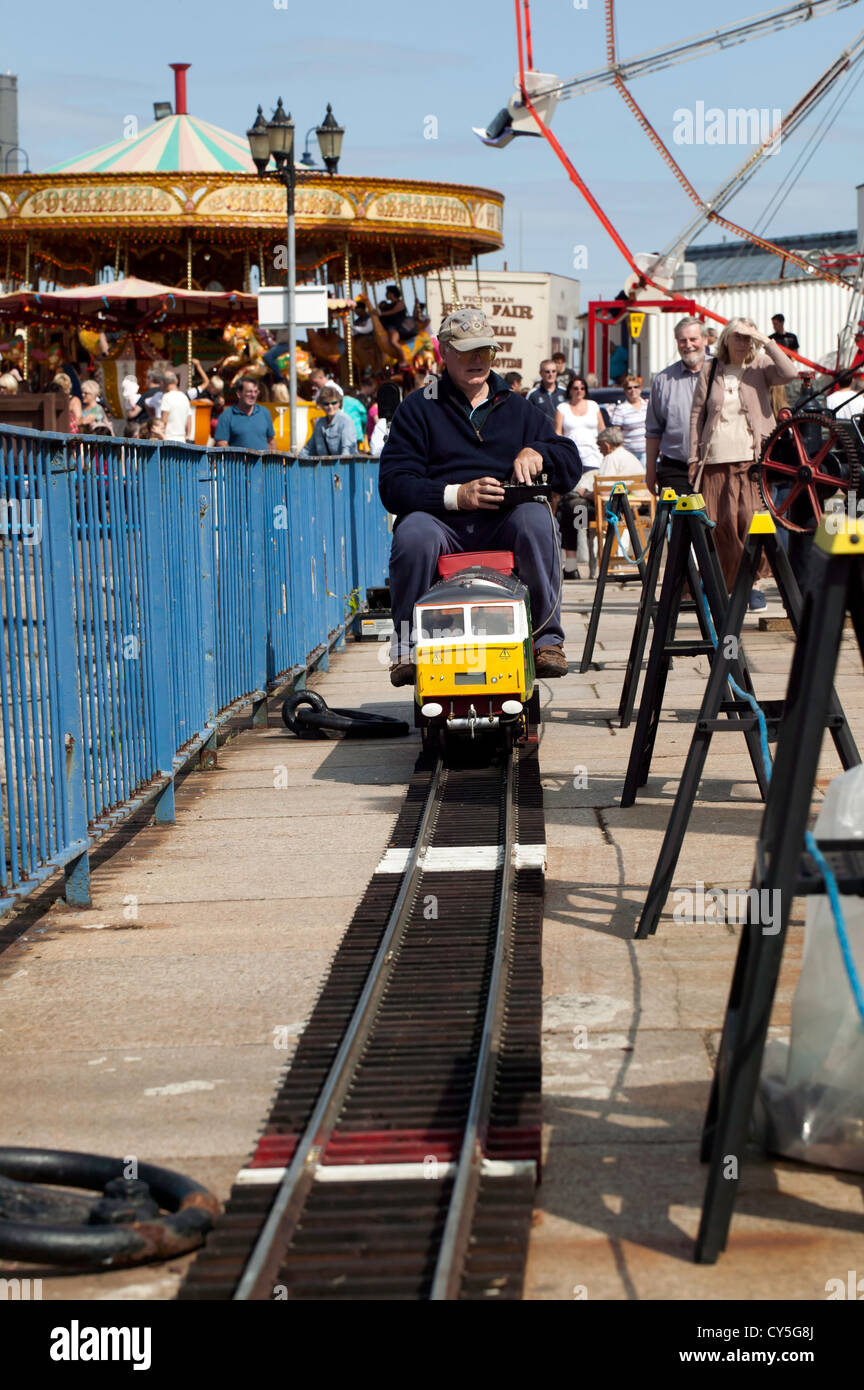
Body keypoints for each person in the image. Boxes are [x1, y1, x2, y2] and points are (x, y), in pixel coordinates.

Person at [379, 308, 581, 684]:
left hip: (506, 521)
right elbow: (393, 485)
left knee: (537, 519)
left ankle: (546, 641)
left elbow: (570, 462)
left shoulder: (519, 408)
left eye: (484, 351)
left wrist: (539, 451)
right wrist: (458, 495)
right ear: (444, 352)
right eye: (467, 351)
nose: (477, 359)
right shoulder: (418, 409)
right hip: (441, 522)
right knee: (412, 534)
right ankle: (407, 648)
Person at [690, 317, 798, 610]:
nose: (743, 342)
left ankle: (751, 583)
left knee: (750, 521)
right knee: (721, 525)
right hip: (714, 459)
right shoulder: (711, 368)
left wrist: (764, 339)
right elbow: (697, 414)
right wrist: (693, 456)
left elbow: (790, 372)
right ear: (726, 339)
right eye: (738, 336)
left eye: (747, 338)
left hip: (752, 460)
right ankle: (727, 584)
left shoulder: (760, 365)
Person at [558, 426, 644, 572]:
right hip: (632, 508)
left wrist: (585, 494)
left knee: (566, 508)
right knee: (576, 509)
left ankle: (572, 567)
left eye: (600, 447)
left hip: (611, 510)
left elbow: (604, 493)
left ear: (606, 445)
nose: (599, 451)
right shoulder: (632, 457)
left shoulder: (610, 458)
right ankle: (574, 565)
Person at [645, 316, 708, 496]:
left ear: (704, 340)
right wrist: (650, 471)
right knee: (680, 524)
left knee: (715, 523)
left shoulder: (721, 373)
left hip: (714, 467)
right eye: (683, 340)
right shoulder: (663, 380)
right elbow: (653, 430)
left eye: (693, 339)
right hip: (675, 468)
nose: (688, 345)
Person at [555, 374, 604, 576]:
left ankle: (585, 559)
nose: (578, 391)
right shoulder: (563, 408)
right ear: (570, 390)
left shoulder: (593, 406)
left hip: (595, 462)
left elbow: (603, 431)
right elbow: (557, 433)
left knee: (584, 507)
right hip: (573, 463)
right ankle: (574, 560)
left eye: (582, 388)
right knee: (572, 507)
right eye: (575, 388)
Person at [214, 377, 277, 451]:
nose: (253, 395)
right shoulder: (226, 416)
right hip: (238, 462)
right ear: (239, 394)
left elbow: (271, 441)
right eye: (249, 392)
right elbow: (221, 444)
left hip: (262, 462)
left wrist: (272, 460)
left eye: (256, 392)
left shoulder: (264, 412)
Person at [299, 387, 358, 457]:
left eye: (334, 403)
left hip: (344, 465)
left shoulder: (345, 421)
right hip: (324, 466)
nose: (330, 406)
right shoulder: (319, 423)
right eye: (326, 404)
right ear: (321, 405)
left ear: (339, 403)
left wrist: (342, 466)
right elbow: (308, 449)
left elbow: (347, 450)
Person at [610, 374, 648, 464]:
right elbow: (616, 433)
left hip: (647, 453)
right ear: (625, 390)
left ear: (640, 388)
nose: (633, 390)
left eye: (636, 387)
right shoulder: (621, 409)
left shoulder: (648, 406)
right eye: (629, 388)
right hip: (628, 453)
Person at [526, 359, 566, 423]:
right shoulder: (533, 394)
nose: (551, 374)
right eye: (547, 372)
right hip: (541, 432)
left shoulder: (564, 392)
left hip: (561, 432)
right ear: (541, 373)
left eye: (553, 371)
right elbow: (526, 416)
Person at [159, 370, 193, 443]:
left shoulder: (166, 397)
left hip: (168, 438)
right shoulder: (184, 397)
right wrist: (187, 436)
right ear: (176, 381)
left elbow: (164, 420)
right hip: (182, 439)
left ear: (164, 383)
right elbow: (189, 419)